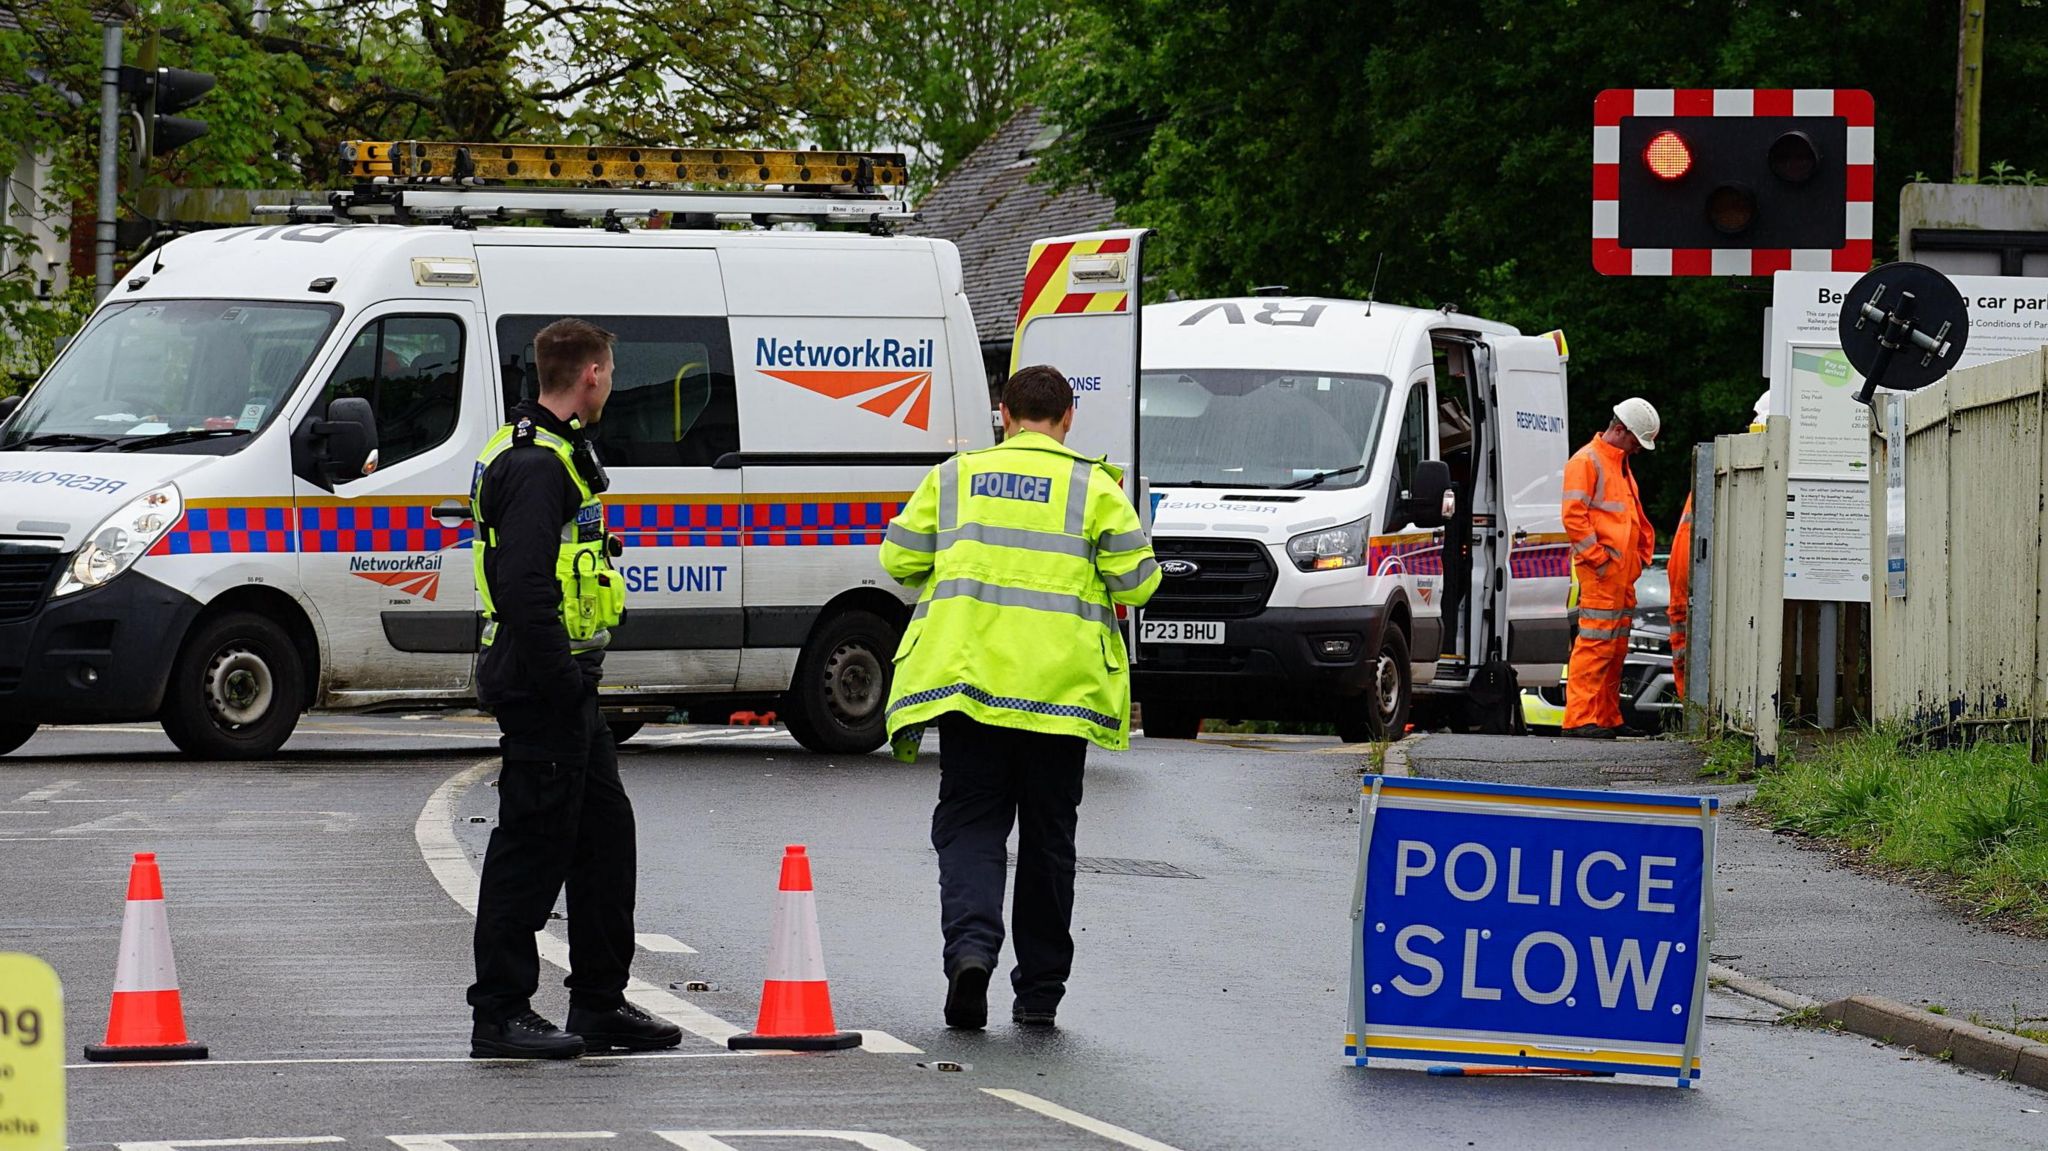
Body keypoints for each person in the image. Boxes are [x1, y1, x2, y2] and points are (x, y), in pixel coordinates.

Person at [878, 364, 1161, 1030]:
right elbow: (1141, 581)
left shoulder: (955, 477)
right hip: (1060, 695)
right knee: (1048, 840)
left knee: (971, 826)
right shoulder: (1094, 485)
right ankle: (1038, 993)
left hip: (971, 686)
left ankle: (970, 949)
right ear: (1068, 419)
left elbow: (898, 560)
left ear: (1002, 412)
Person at [465, 318, 681, 1059]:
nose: (613, 385)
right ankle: (499, 1011)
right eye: (611, 373)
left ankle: (598, 1001)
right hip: (543, 681)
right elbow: (524, 587)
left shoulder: (554, 449)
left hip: (566, 682)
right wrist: (561, 680)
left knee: (602, 838)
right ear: (590, 374)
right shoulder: (533, 464)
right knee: (530, 846)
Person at [1560, 397, 1658, 738]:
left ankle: (1606, 716)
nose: (1637, 450)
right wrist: (1600, 560)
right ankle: (1581, 718)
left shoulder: (1616, 462)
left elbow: (1627, 517)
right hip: (1603, 572)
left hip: (1618, 573)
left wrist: (1637, 556)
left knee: (1614, 647)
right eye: (1635, 442)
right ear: (1620, 430)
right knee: (1595, 645)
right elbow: (1574, 517)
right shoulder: (1587, 461)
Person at [1668, 392, 1769, 702]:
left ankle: (1694, 713)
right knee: (1692, 650)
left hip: (1688, 571)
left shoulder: (1730, 465)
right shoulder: (1739, 465)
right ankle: (1695, 713)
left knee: (1688, 650)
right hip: (1694, 572)